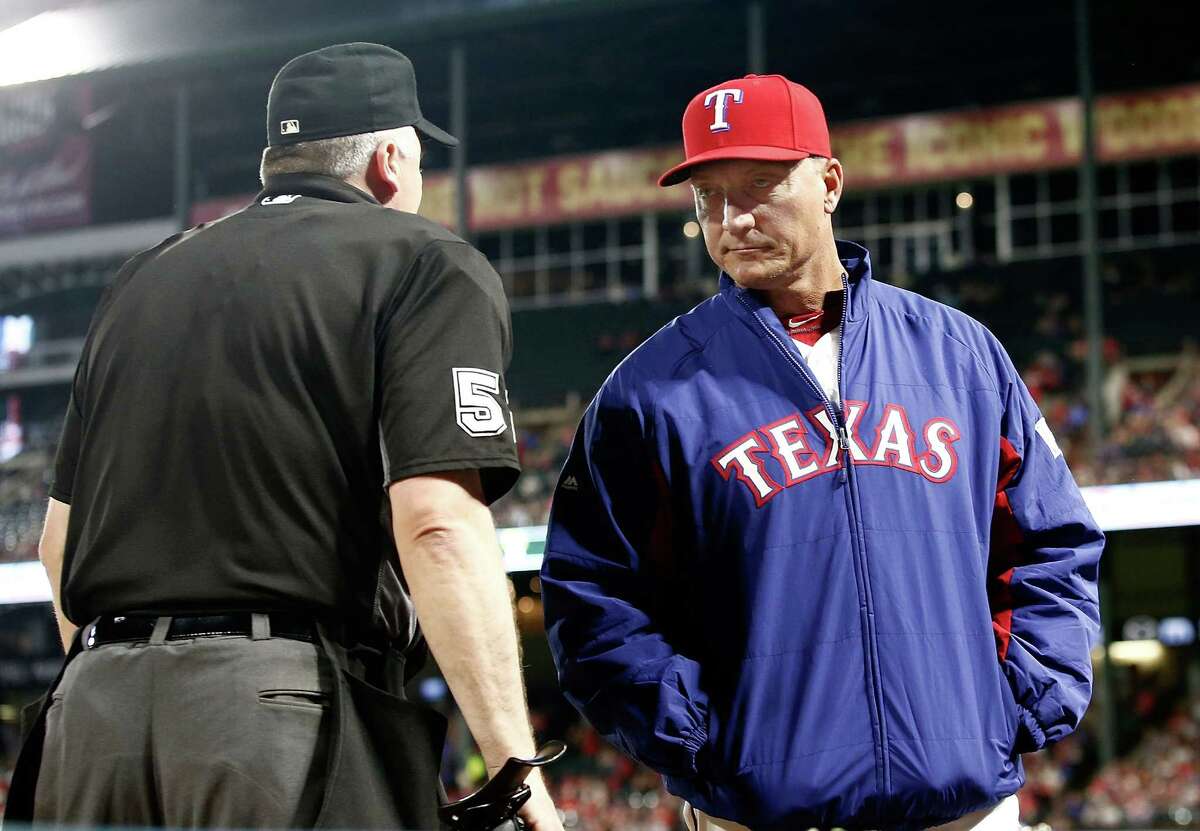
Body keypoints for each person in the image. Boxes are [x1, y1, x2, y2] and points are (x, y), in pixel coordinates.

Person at [6, 42, 561, 831]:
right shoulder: (424, 260)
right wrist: (514, 768)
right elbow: (438, 522)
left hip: (91, 714)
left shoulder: (142, 279)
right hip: (272, 712)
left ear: (277, 160)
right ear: (392, 160)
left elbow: (58, 546)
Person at [540, 73, 1103, 830]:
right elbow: (591, 595)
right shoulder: (648, 390)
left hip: (962, 808)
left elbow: (1052, 542)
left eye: (761, 184)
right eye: (709, 197)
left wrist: (1018, 701)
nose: (733, 218)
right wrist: (699, 735)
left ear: (829, 182)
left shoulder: (960, 356)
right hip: (758, 812)